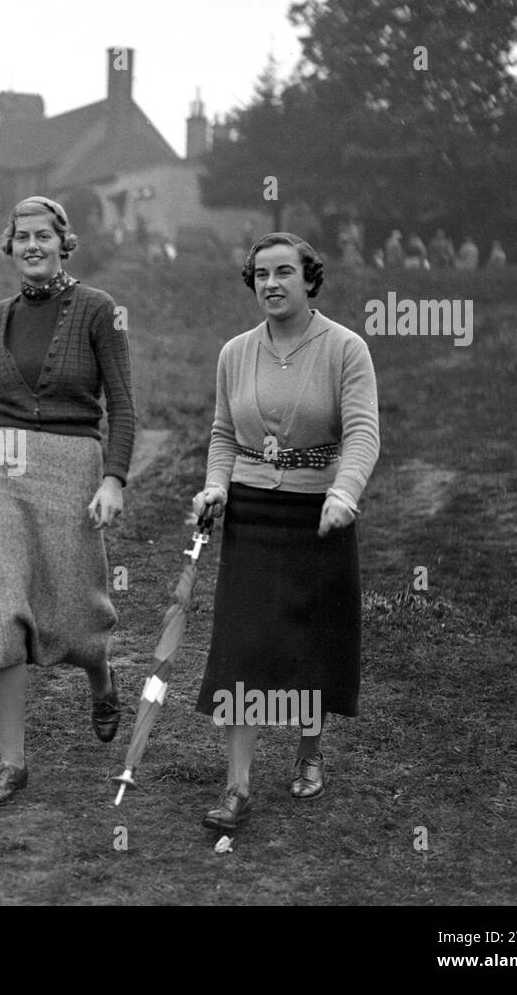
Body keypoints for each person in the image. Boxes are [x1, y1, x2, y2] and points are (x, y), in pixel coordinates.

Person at [189, 232, 379, 831]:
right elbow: (223, 434)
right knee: (242, 648)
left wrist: (344, 494)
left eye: (283, 272)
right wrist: (216, 486)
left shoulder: (346, 349)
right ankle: (238, 786)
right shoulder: (235, 353)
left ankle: (308, 753)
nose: (271, 283)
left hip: (319, 516)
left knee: (310, 645)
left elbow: (362, 434)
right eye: (260, 274)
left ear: (309, 279)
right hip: (251, 516)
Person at [0, 196, 136, 808]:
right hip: (1, 471)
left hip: (72, 463)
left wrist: (113, 478)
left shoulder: (99, 310)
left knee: (74, 608)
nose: (32, 245)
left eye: (44, 235)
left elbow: (122, 403)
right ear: (9, 247)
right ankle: (12, 762)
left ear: (65, 243)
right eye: (21, 237)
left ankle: (100, 673)